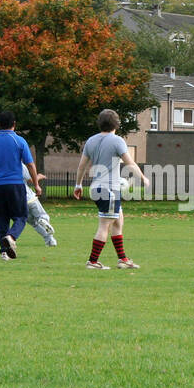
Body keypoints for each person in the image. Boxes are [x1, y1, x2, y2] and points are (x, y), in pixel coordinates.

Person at [73, 109, 149, 269]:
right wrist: (143, 178)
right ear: (117, 124)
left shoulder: (91, 141)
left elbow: (81, 166)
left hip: (96, 188)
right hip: (109, 189)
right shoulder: (117, 141)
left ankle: (122, 259)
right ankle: (92, 261)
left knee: (118, 221)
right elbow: (130, 163)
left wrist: (78, 184)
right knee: (104, 225)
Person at [0, 110, 39, 260]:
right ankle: (11, 237)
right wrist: (37, 184)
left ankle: (4, 252)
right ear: (14, 124)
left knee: (1, 218)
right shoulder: (19, 141)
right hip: (15, 184)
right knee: (21, 216)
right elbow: (30, 165)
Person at [25, 172, 57, 247]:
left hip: (17, 203)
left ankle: (49, 240)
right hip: (29, 198)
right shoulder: (19, 165)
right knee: (42, 216)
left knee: (34, 224)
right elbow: (32, 180)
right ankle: (43, 220)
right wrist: (39, 176)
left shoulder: (0, 169)